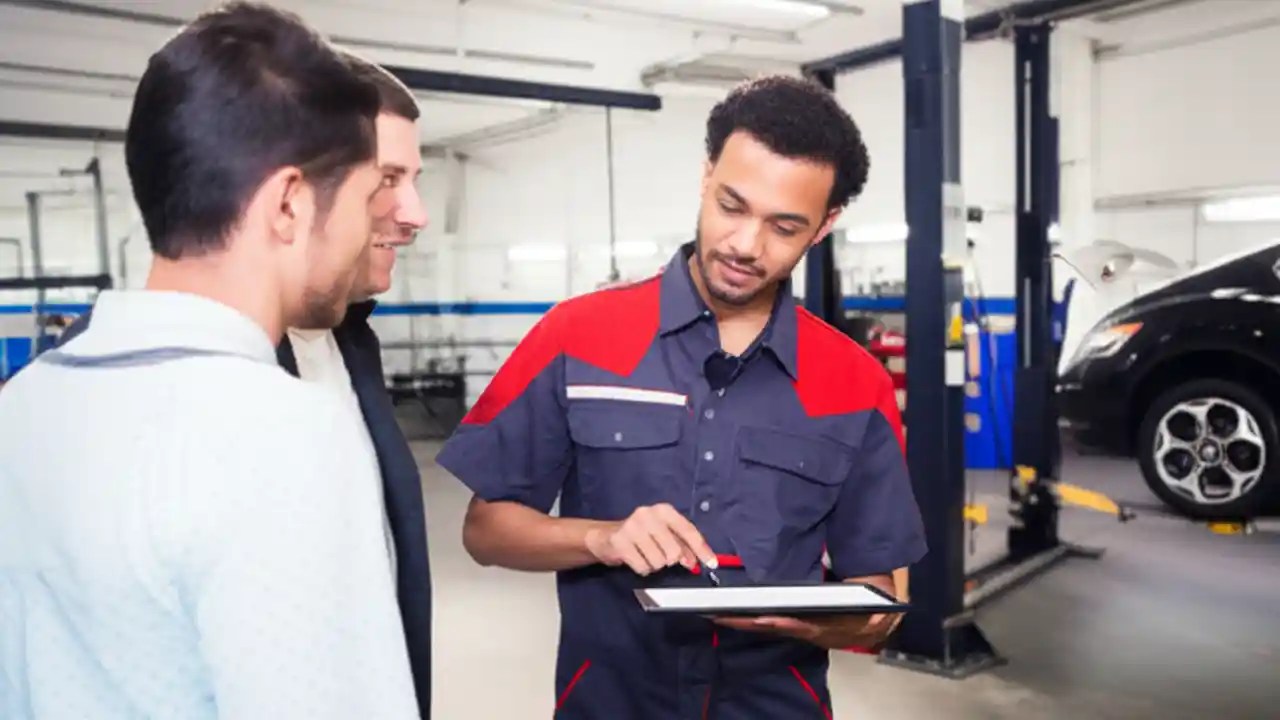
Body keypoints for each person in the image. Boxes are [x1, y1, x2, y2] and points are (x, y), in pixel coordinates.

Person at [435, 75, 927, 719]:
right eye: (732, 205)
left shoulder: (854, 382)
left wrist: (819, 623)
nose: (746, 245)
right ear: (705, 176)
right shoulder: (577, 336)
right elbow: (485, 531)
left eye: (784, 227)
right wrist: (601, 539)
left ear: (825, 225)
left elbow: (881, 600)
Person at [0, 4, 418, 719]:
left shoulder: (25, 403)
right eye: (364, 194)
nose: (380, 225)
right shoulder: (286, 435)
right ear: (288, 204)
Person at [276, 53, 434, 720]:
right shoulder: (200, 381)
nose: (415, 213)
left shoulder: (350, 344)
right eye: (387, 178)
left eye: (413, 179)